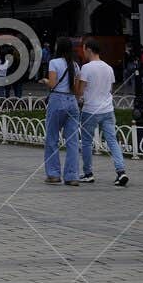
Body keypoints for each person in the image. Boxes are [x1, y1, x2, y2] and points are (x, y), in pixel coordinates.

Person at [77, 38, 127, 186]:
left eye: (84, 49)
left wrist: (80, 95)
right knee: (112, 140)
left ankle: (88, 173)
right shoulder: (108, 68)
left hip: (90, 110)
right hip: (107, 109)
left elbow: (80, 91)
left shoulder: (86, 68)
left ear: (89, 50)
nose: (83, 52)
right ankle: (121, 171)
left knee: (86, 142)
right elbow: (110, 89)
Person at [43, 36, 84, 185]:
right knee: (72, 141)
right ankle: (72, 176)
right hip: (72, 102)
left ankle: (53, 174)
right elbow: (78, 91)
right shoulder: (76, 65)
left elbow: (53, 84)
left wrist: (45, 81)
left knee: (52, 138)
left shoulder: (54, 63)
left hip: (57, 100)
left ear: (58, 48)